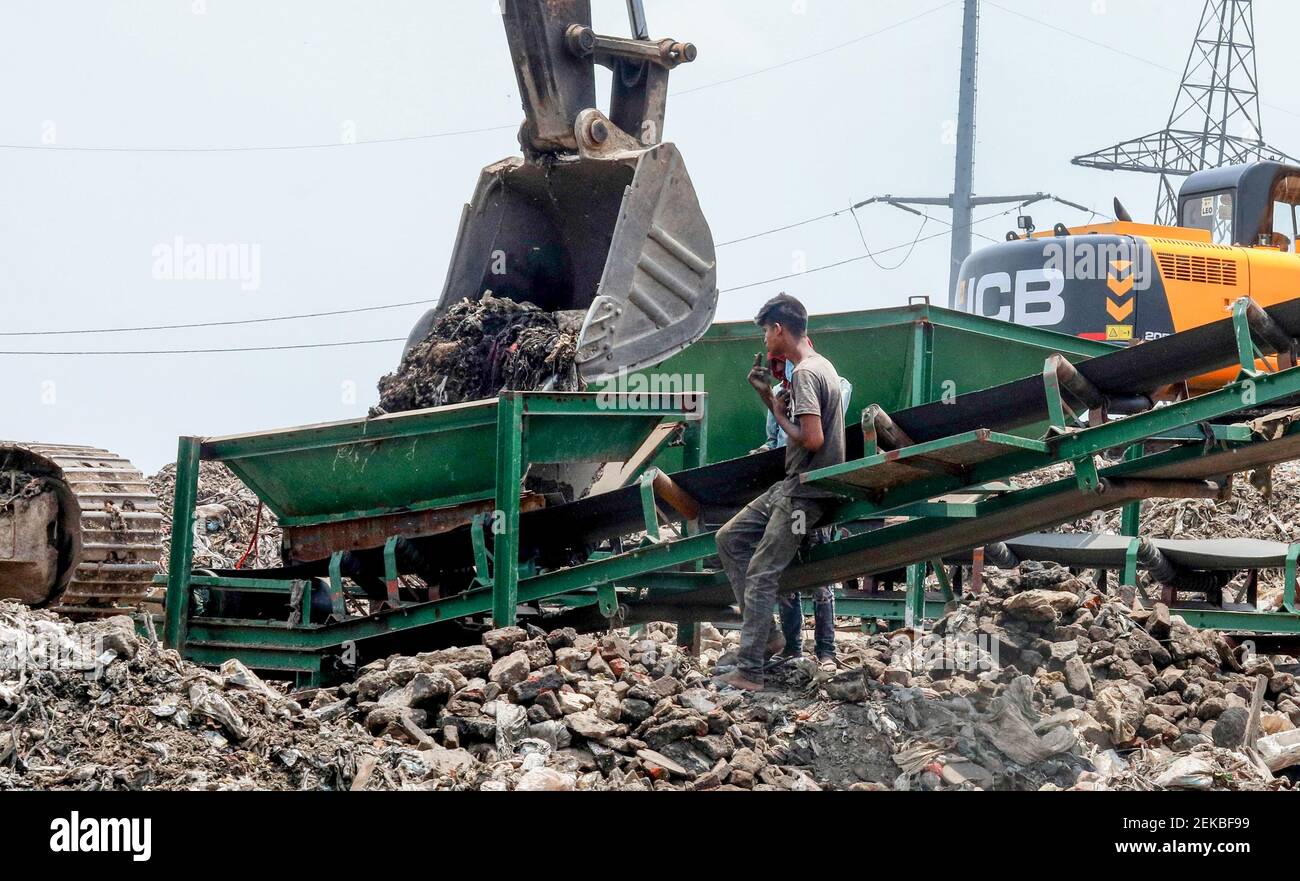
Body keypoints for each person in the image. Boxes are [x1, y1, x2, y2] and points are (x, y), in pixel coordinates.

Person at [715, 293, 846, 691]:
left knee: (761, 571)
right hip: (793, 485)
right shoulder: (821, 367)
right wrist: (767, 395)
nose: (764, 344)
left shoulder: (807, 373)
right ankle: (770, 637)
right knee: (730, 538)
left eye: (765, 334)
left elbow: (811, 438)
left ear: (778, 329)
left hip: (807, 492)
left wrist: (774, 412)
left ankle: (750, 669)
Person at [752, 353, 852, 673]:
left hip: (815, 492)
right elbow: (773, 440)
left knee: (820, 574)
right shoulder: (783, 396)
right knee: (786, 572)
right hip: (789, 493)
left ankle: (825, 650)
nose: (779, 375)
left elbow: (817, 435)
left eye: (782, 368)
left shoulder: (826, 384)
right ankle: (793, 648)